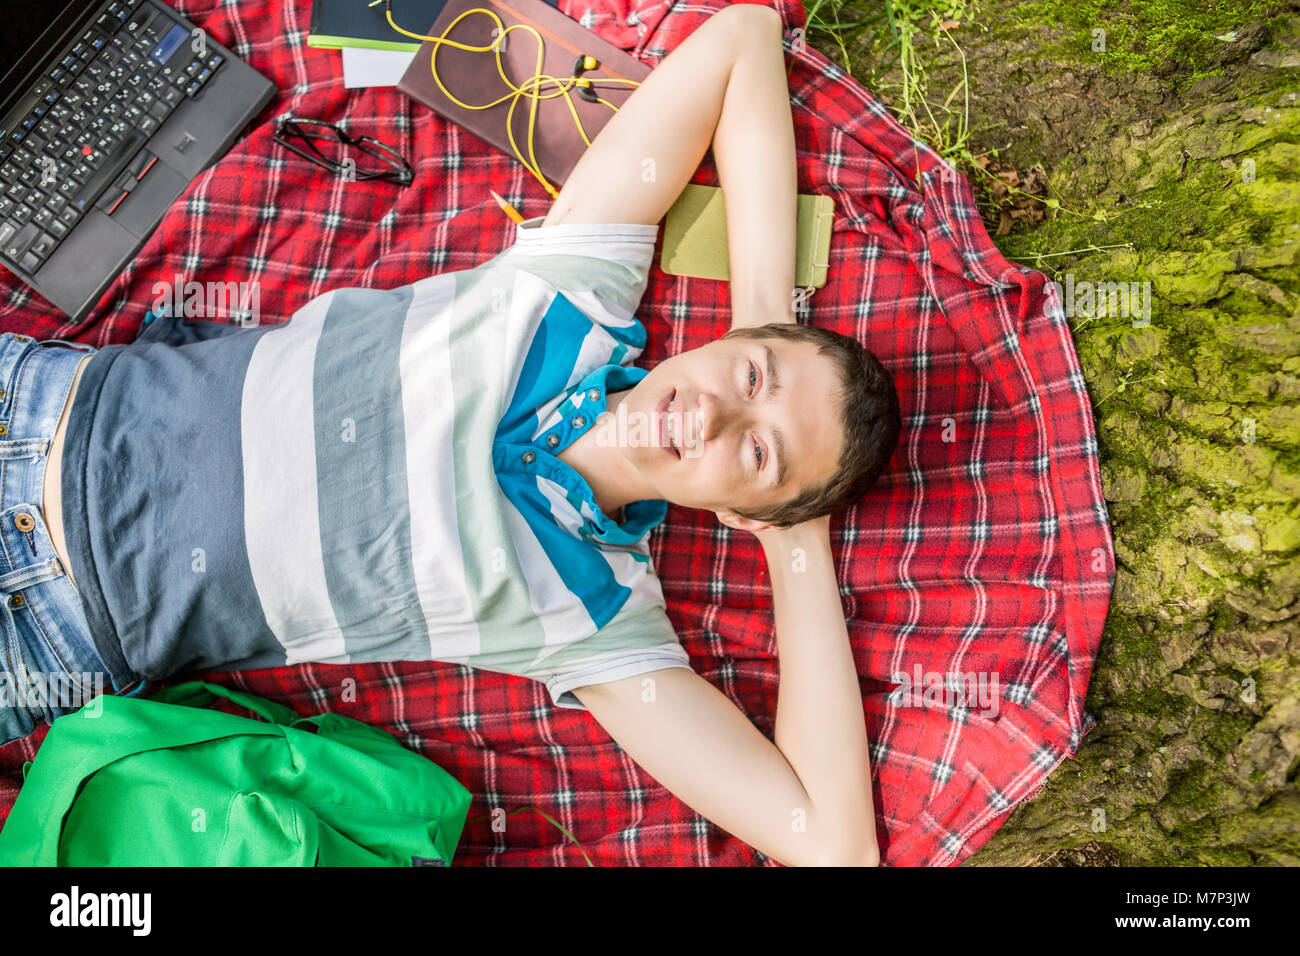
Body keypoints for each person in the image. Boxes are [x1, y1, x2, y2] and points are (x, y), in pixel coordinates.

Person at [0, 4, 899, 867]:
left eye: (756, 452)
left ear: (745, 514)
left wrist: (797, 538)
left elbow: (829, 841)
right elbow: (741, 40)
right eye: (747, 383)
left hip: (46, 629)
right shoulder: (576, 287)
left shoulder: (598, 622)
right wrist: (762, 326)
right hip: (34, 408)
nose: (711, 415)